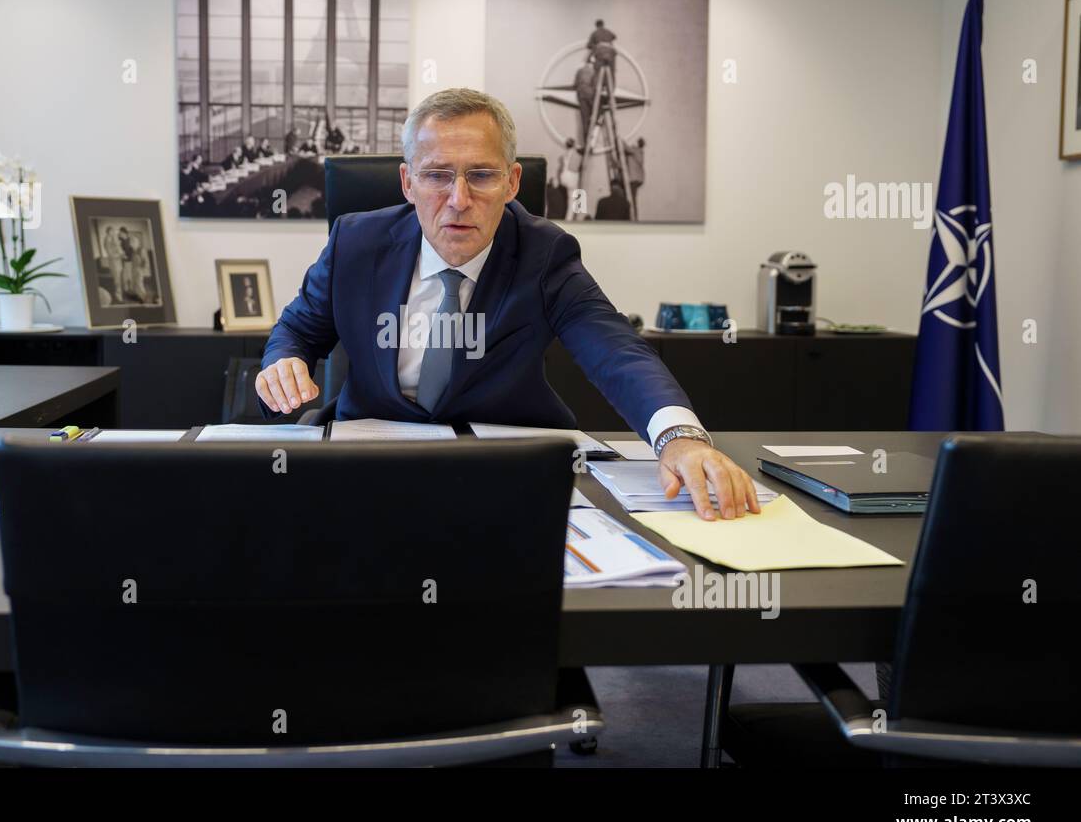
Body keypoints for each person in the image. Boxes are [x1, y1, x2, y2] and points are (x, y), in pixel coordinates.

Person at [256, 88, 759, 521]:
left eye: (481, 175)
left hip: (504, 468)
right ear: (408, 183)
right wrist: (284, 362)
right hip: (370, 464)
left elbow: (616, 349)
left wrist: (679, 437)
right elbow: (299, 330)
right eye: (436, 176)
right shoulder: (356, 242)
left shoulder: (544, 254)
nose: (457, 199)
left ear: (512, 182)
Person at [102, 224, 124, 303]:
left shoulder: (112, 238)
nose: (114, 232)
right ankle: (118, 297)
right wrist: (120, 255)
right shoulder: (107, 240)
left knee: (119, 280)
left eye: (114, 231)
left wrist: (120, 252)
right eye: (112, 231)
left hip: (118, 263)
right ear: (108, 232)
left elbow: (118, 248)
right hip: (114, 263)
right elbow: (111, 254)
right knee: (117, 281)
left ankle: (119, 295)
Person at [624, 137, 646, 214]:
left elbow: (626, 148)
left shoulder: (635, 150)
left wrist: (619, 139)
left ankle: (632, 214)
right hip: (638, 179)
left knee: (632, 199)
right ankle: (633, 214)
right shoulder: (640, 152)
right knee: (632, 198)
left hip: (634, 178)